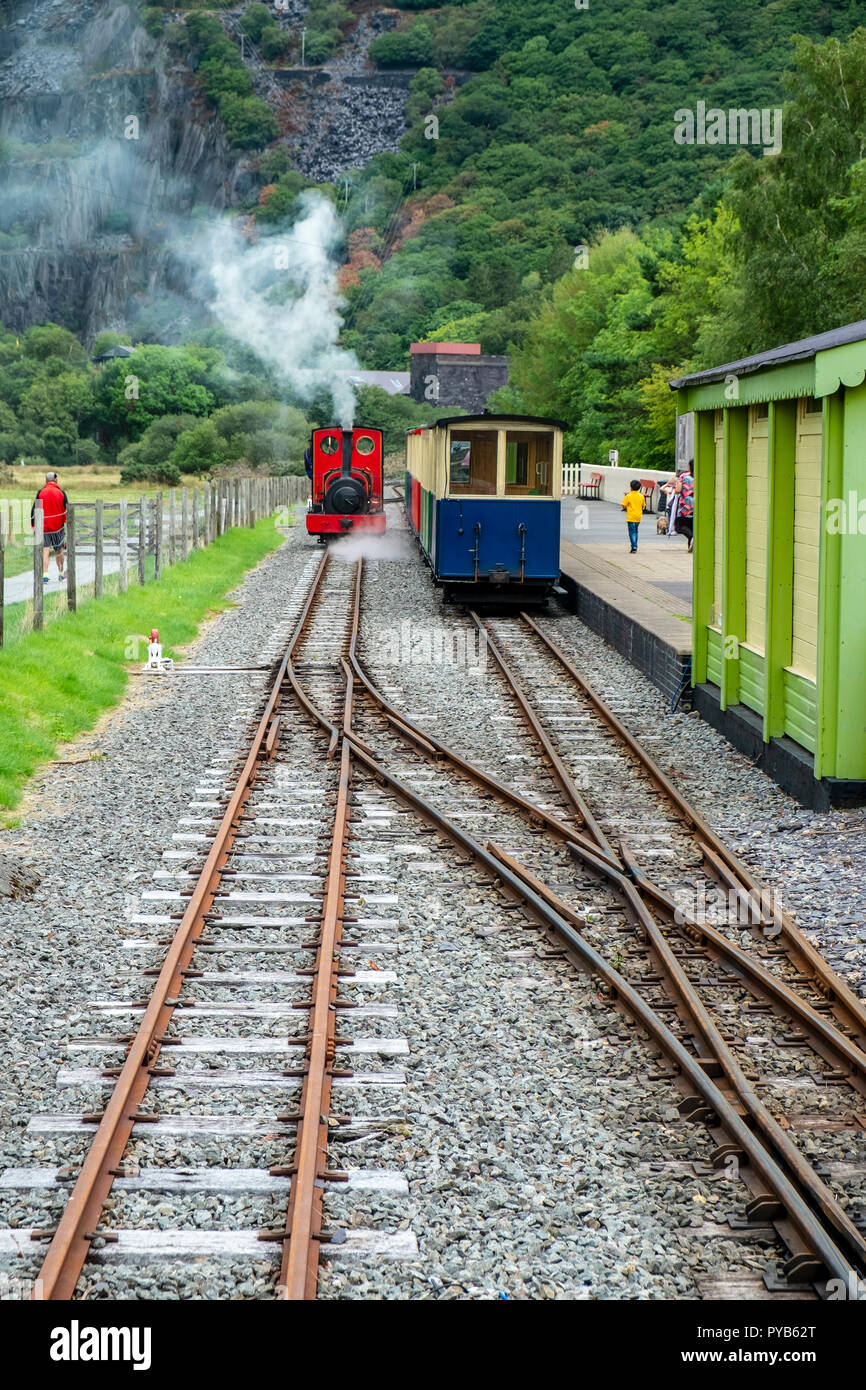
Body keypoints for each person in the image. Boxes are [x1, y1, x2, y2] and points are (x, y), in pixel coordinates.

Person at [31, 471, 69, 583]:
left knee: (45, 550)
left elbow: (35, 509)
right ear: (56, 480)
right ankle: (61, 573)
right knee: (59, 551)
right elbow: (67, 510)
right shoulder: (61, 493)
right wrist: (66, 523)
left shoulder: (41, 492)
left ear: (46, 481)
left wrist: (33, 524)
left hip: (44, 527)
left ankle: (45, 575)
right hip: (58, 527)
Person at [621, 478, 645, 552]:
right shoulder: (641, 496)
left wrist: (626, 507)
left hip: (631, 517)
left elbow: (623, 505)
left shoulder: (628, 496)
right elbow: (643, 506)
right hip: (638, 516)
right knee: (636, 531)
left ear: (630, 487)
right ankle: (635, 545)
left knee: (632, 532)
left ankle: (634, 546)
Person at [674, 466, 694, 552]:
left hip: (685, 506)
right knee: (691, 526)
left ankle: (693, 538)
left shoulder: (683, 476)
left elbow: (678, 490)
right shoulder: (701, 475)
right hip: (698, 506)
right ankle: (691, 546)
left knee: (680, 526)